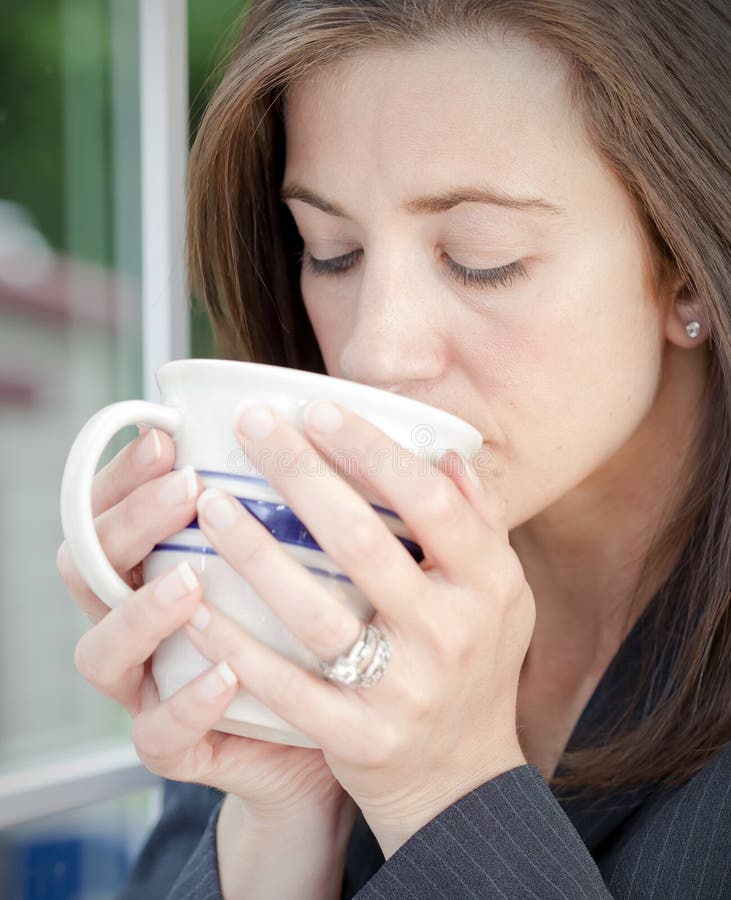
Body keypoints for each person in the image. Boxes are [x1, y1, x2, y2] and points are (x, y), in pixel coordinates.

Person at [56, 1, 731, 897]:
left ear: (685, 266)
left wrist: (447, 792)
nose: (375, 352)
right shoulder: (301, 595)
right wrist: (282, 815)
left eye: (480, 258)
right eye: (329, 252)